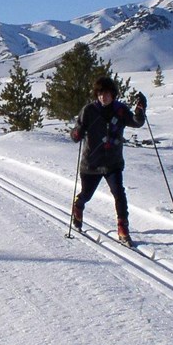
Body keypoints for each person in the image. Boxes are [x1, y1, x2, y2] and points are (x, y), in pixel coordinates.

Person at [70, 76, 146, 245]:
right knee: (87, 194)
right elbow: (75, 135)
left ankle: (123, 228)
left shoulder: (120, 110)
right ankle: (78, 207)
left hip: (113, 162)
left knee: (119, 194)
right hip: (91, 162)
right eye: (100, 94)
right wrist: (78, 132)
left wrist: (140, 111)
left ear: (113, 95)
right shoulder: (89, 110)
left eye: (107, 94)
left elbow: (136, 122)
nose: (103, 97)